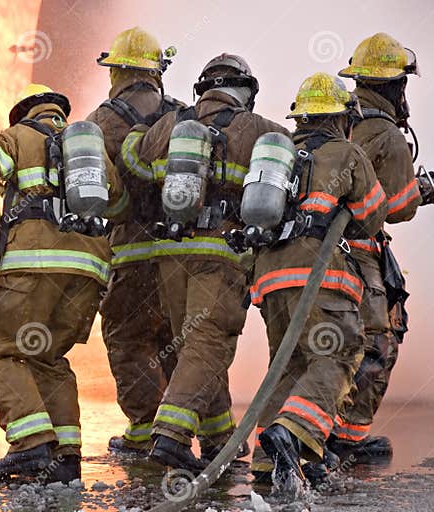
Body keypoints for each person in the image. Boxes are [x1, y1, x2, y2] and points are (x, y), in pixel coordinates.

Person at [121, 53, 288, 470]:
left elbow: (134, 163)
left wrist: (142, 128)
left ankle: (218, 441)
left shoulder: (171, 124)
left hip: (168, 254)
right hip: (221, 254)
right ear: (246, 91)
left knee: (192, 346)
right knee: (208, 344)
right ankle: (171, 436)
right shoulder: (264, 133)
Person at [0, 84, 128, 483]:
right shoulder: (87, 148)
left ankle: (31, 442)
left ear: (23, 113)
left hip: (33, 264)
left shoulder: (12, 137)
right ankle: (65, 458)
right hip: (89, 270)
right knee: (48, 358)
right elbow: (120, 201)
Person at [247, 72, 387, 493]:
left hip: (270, 277)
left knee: (287, 366)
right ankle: (292, 431)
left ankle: (264, 463)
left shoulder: (280, 155)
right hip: (318, 274)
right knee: (338, 353)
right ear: (342, 118)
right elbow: (372, 218)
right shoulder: (347, 152)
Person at [330, 33, 434, 461]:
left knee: (330, 342)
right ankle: (347, 439)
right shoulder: (387, 134)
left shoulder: (339, 119)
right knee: (378, 342)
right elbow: (397, 209)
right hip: (357, 250)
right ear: (396, 86)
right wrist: (426, 190)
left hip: (315, 249)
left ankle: (317, 434)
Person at [85, 26, 183, 455]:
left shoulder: (101, 122)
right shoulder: (183, 115)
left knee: (129, 339)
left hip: (131, 251)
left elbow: (90, 190)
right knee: (177, 339)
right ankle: (185, 428)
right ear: (157, 71)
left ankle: (145, 431)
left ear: (117, 71)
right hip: (185, 253)